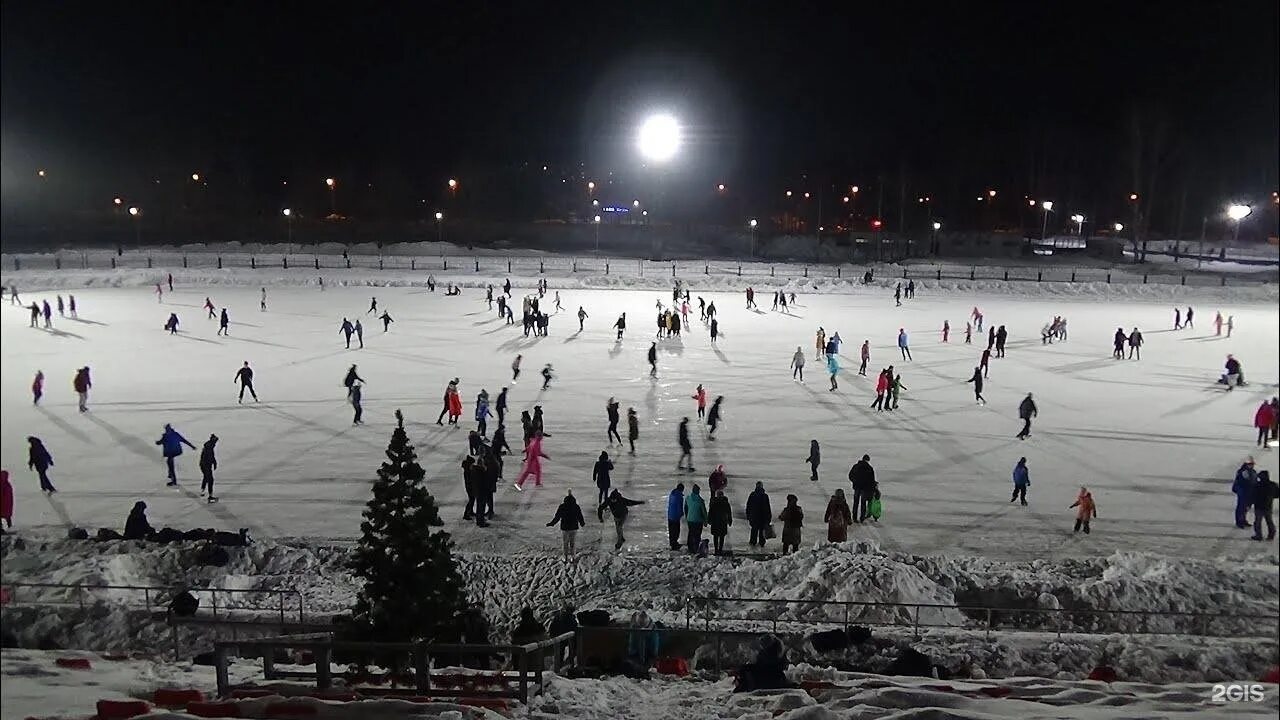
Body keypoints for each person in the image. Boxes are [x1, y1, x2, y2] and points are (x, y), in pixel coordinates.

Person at [546, 492, 586, 560]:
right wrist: (582, 523)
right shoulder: (576, 506)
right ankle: (573, 556)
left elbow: (557, 517)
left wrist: (552, 523)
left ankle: (565, 556)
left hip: (565, 527)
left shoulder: (562, 506)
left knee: (565, 543)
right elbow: (580, 516)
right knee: (572, 543)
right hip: (574, 527)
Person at [1251, 470, 1277, 541]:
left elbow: (1253, 495)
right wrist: (1271, 497)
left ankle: (1258, 535)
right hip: (1268, 506)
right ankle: (1271, 535)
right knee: (1269, 521)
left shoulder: (1257, 485)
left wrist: (1251, 503)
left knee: (1258, 522)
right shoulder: (1273, 484)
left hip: (1259, 506)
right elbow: (1277, 494)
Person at [849, 455, 875, 522]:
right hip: (865, 488)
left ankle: (854, 517)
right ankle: (862, 518)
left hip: (857, 487)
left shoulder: (856, 466)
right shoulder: (869, 468)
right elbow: (872, 480)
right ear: (868, 460)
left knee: (856, 503)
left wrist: (854, 481)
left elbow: (850, 475)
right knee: (863, 503)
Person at [1232, 458, 1257, 529]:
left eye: (1252, 464)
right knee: (1241, 506)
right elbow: (1246, 482)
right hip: (1243, 491)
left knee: (1246, 507)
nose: (1252, 466)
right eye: (1251, 464)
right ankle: (1239, 521)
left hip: (1248, 491)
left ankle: (1243, 520)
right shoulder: (1243, 471)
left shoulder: (1252, 471)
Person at [746, 482, 772, 547]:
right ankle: (760, 543)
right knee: (760, 531)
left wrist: (748, 515)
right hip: (761, 517)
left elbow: (748, 506)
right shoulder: (764, 496)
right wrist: (768, 518)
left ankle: (754, 543)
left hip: (755, 517)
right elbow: (768, 508)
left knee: (755, 531)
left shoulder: (753, 495)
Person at [684, 484, 708, 554]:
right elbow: (704, 512)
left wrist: (687, 516)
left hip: (690, 520)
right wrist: (705, 521)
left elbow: (685, 507)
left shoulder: (688, 498)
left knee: (691, 533)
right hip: (698, 521)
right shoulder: (700, 501)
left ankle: (690, 547)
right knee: (697, 535)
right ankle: (696, 548)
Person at [199, 434, 219, 502]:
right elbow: (210, 457)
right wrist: (213, 463)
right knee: (210, 480)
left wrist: (214, 463)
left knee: (206, 477)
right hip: (206, 465)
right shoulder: (209, 447)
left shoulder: (208, 446)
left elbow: (211, 457)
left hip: (203, 464)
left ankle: (202, 491)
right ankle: (210, 496)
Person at [666, 482, 685, 550]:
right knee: (676, 531)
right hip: (675, 517)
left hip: (670, 515)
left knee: (671, 531)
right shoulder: (679, 496)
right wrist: (682, 514)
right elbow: (679, 507)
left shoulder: (672, 494)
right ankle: (675, 544)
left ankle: (672, 543)